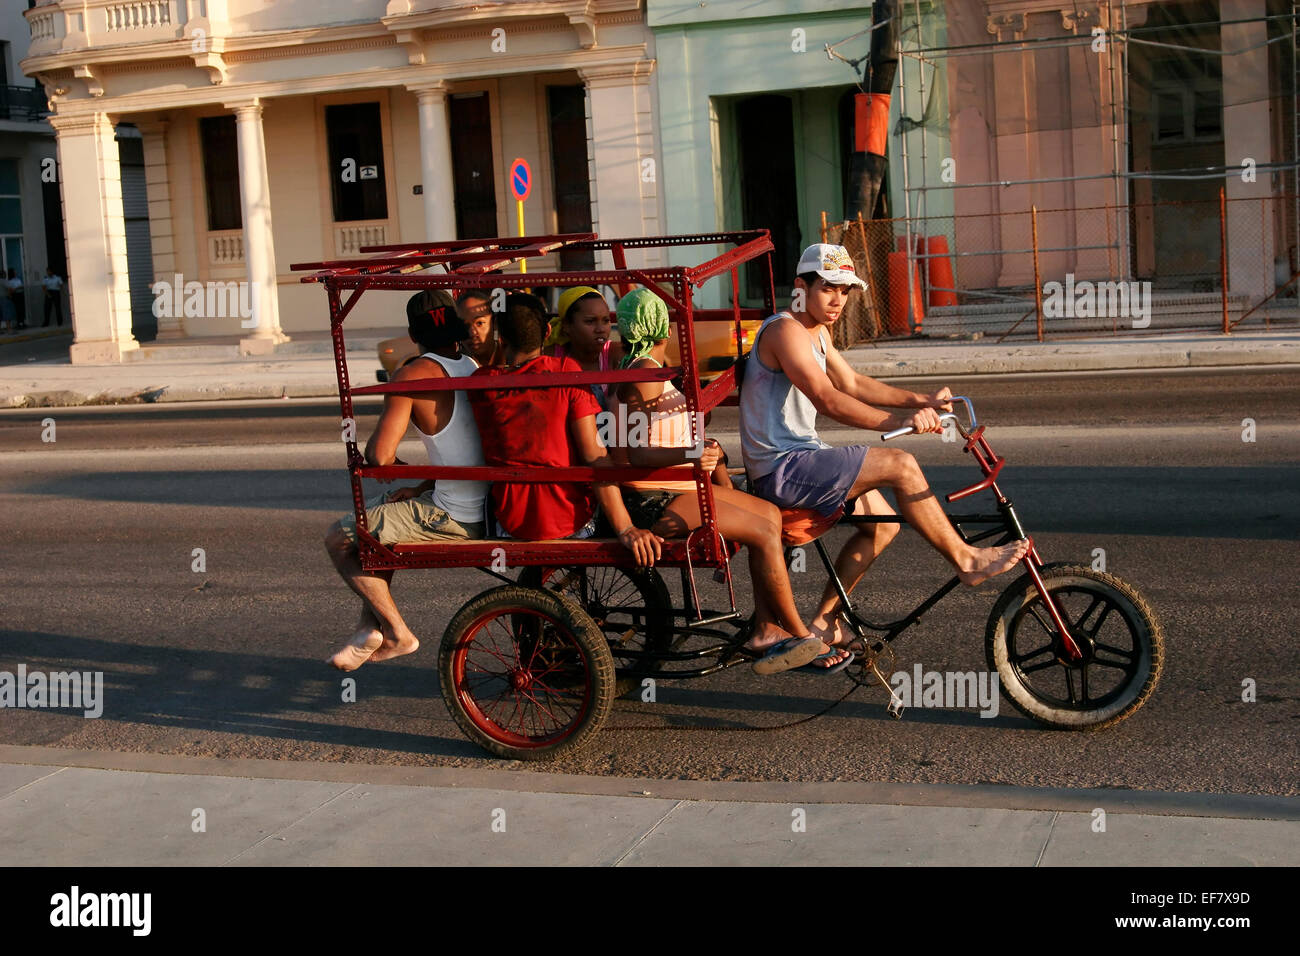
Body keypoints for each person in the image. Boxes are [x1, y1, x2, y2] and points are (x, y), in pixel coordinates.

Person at [739, 243, 1030, 655]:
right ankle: (967, 561)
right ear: (800, 287)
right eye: (828, 288)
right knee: (901, 464)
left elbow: (854, 385)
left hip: (804, 457)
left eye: (845, 291)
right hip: (781, 469)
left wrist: (920, 401)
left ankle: (825, 621)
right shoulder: (784, 330)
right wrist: (899, 424)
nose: (838, 300)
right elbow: (828, 398)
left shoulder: (817, 332)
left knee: (884, 523)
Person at [610, 287, 831, 674]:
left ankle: (765, 628)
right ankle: (799, 634)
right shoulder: (642, 373)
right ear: (662, 327)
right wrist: (693, 454)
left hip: (680, 489)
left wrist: (703, 452)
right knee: (763, 531)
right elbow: (638, 455)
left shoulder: (653, 371)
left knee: (771, 517)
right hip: (655, 499)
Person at [323, 289, 488, 671]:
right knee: (387, 515)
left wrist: (392, 460)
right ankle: (368, 628)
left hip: (457, 515)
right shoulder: (474, 367)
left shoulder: (412, 374)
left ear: (413, 336)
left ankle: (397, 633)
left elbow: (379, 455)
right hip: (490, 503)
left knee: (339, 537)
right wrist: (419, 488)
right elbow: (465, 448)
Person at [465, 292, 661, 567]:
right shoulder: (565, 372)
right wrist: (626, 528)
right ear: (548, 330)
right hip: (571, 521)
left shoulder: (481, 384)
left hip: (510, 523)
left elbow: (497, 365)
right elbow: (594, 454)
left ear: (501, 338)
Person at [546, 286, 623, 404]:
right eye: (590, 321)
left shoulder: (617, 355)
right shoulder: (550, 358)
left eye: (606, 320)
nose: (600, 329)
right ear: (566, 325)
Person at [457, 288, 499, 367]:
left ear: (495, 324)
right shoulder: (454, 368)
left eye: (479, 323)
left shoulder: (512, 360)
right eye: (464, 326)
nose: (472, 333)